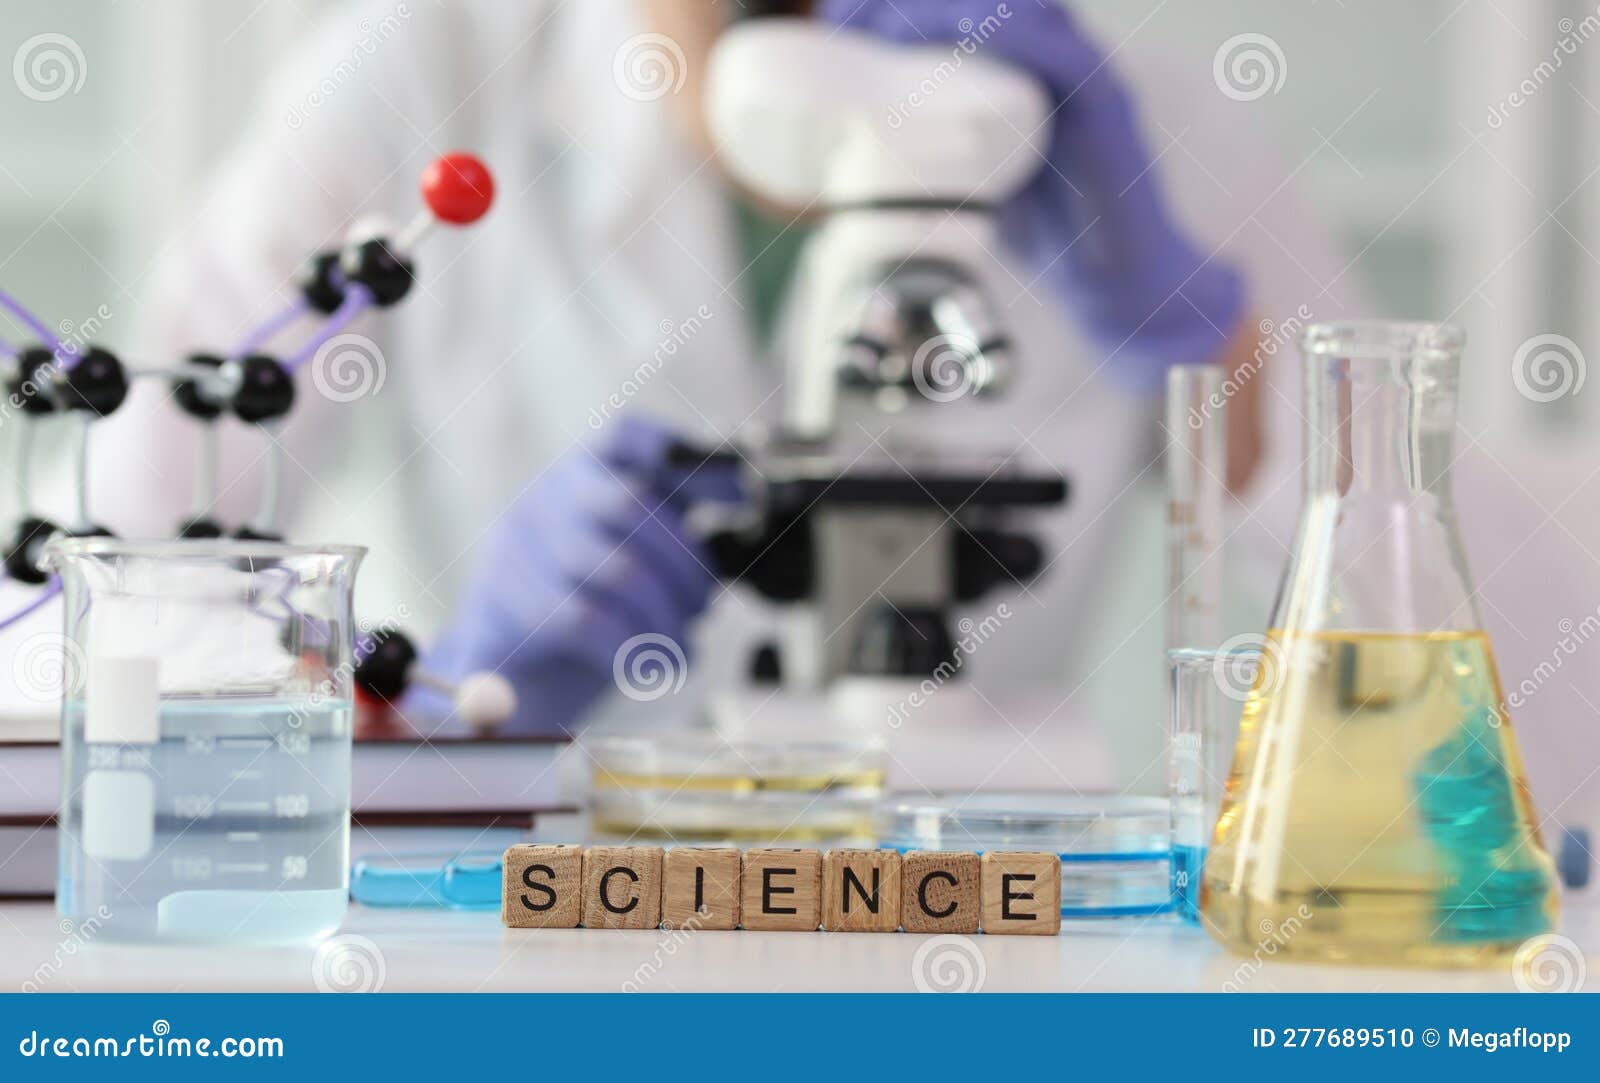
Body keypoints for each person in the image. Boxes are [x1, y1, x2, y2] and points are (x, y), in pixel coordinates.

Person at [77, 2, 1300, 742]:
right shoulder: (422, 73)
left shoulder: (1130, 119)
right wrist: (439, 701)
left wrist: (1204, 336)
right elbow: (92, 620)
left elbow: (1470, 668)